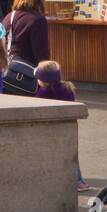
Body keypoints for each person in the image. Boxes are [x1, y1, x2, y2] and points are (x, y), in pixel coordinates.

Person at [34, 61, 89, 191]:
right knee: (71, 156)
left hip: (50, 132)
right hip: (68, 129)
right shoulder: (67, 88)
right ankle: (79, 181)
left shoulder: (43, 93)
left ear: (44, 80)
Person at [2, 0, 50, 66]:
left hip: (8, 67)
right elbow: (42, 53)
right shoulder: (37, 20)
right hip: (26, 70)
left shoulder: (9, 17)